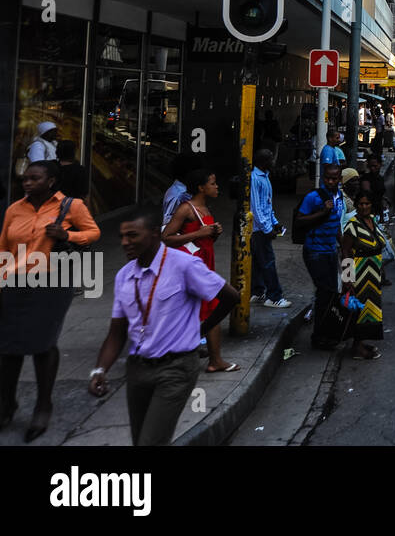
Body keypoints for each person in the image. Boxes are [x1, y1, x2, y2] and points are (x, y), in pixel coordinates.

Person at [89, 210, 238, 446]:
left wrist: (200, 329)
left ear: (154, 235)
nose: (125, 242)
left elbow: (230, 296)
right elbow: (116, 333)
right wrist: (99, 371)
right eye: (122, 237)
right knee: (141, 440)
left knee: (151, 442)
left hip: (176, 369)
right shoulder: (124, 276)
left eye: (133, 235)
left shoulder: (184, 266)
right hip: (138, 368)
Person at [0, 160, 100, 441]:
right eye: (25, 179)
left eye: (34, 178)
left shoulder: (71, 206)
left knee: (42, 343)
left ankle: (43, 406)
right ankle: (7, 403)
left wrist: (67, 234)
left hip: (53, 282)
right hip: (14, 281)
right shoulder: (13, 209)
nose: (27, 183)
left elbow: (93, 233)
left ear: (51, 181)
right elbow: (3, 248)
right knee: (8, 346)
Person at [164, 169, 237, 373]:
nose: (216, 187)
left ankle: (193, 350)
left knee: (200, 309)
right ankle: (214, 360)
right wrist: (201, 232)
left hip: (205, 263)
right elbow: (167, 238)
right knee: (213, 307)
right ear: (200, 187)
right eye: (212, 183)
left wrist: (213, 234)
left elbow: (201, 239)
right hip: (192, 267)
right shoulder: (186, 209)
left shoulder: (205, 208)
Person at [296, 164, 345, 351]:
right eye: (328, 178)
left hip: (330, 251)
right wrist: (322, 212)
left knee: (331, 293)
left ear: (339, 178)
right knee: (325, 292)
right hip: (315, 252)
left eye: (334, 178)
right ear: (323, 178)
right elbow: (300, 220)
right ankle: (319, 336)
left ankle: (327, 332)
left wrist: (344, 247)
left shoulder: (339, 196)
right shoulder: (313, 197)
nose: (331, 181)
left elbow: (336, 225)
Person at [341, 189, 383, 360]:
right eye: (361, 204)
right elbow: (345, 252)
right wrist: (347, 278)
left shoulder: (372, 220)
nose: (364, 207)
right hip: (360, 272)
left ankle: (361, 342)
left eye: (367, 203)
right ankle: (356, 348)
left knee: (369, 309)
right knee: (359, 310)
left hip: (374, 273)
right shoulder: (352, 225)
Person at [249, 149, 290, 309]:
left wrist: (274, 222)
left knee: (259, 262)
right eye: (271, 159)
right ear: (263, 161)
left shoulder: (265, 177)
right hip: (258, 229)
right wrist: (267, 229)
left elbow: (267, 204)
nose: (274, 162)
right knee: (268, 262)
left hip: (263, 227)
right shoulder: (255, 179)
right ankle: (274, 296)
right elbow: (256, 208)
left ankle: (258, 291)